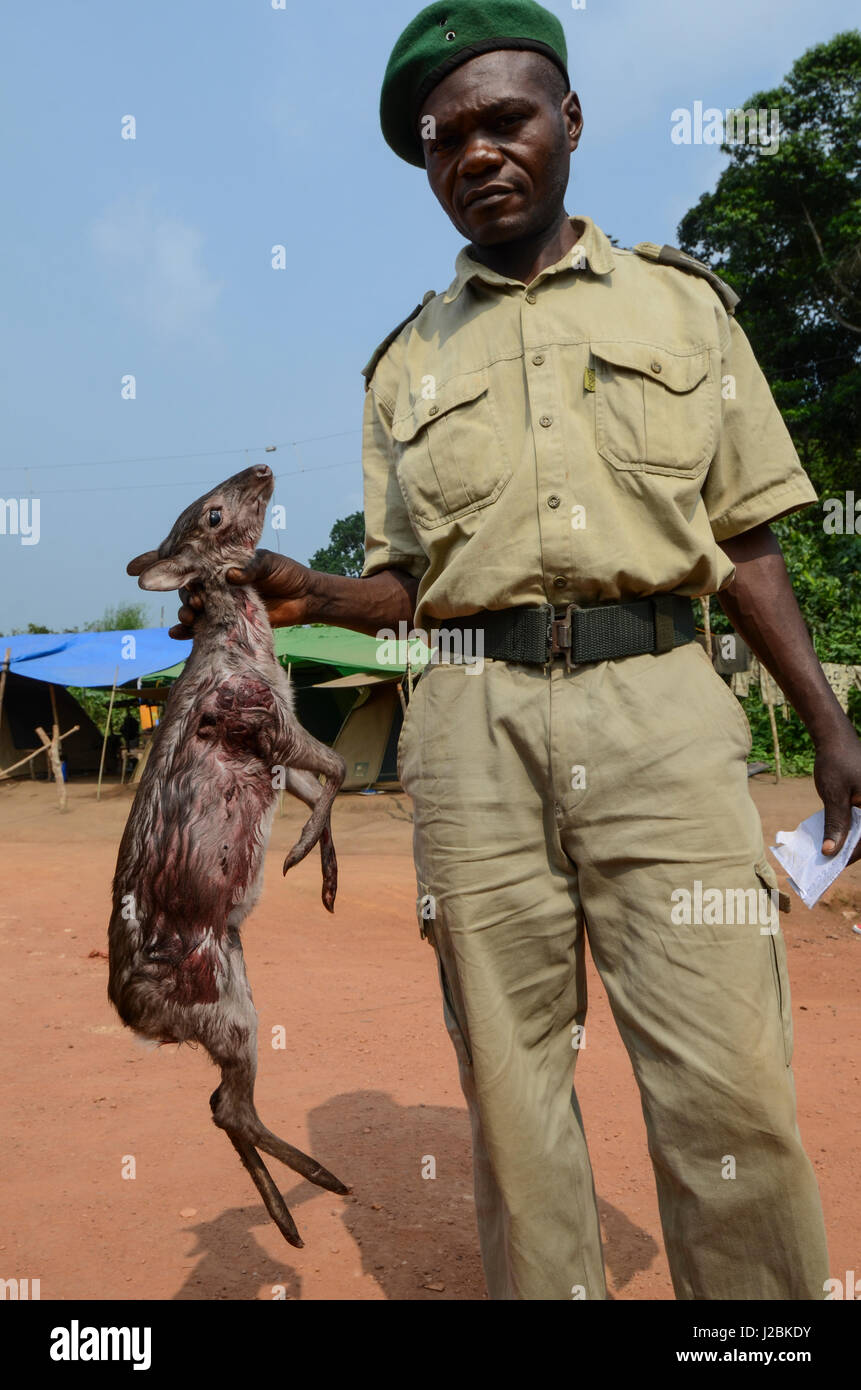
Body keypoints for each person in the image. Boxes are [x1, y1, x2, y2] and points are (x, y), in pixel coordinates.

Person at [172, 0, 861, 1299]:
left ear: (569, 122)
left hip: (662, 712)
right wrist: (303, 587)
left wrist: (825, 722)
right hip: (468, 726)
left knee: (725, 1082)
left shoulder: (685, 310)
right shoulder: (400, 370)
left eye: (504, 120)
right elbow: (402, 590)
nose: (475, 153)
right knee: (507, 1081)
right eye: (445, 140)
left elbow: (750, 540)